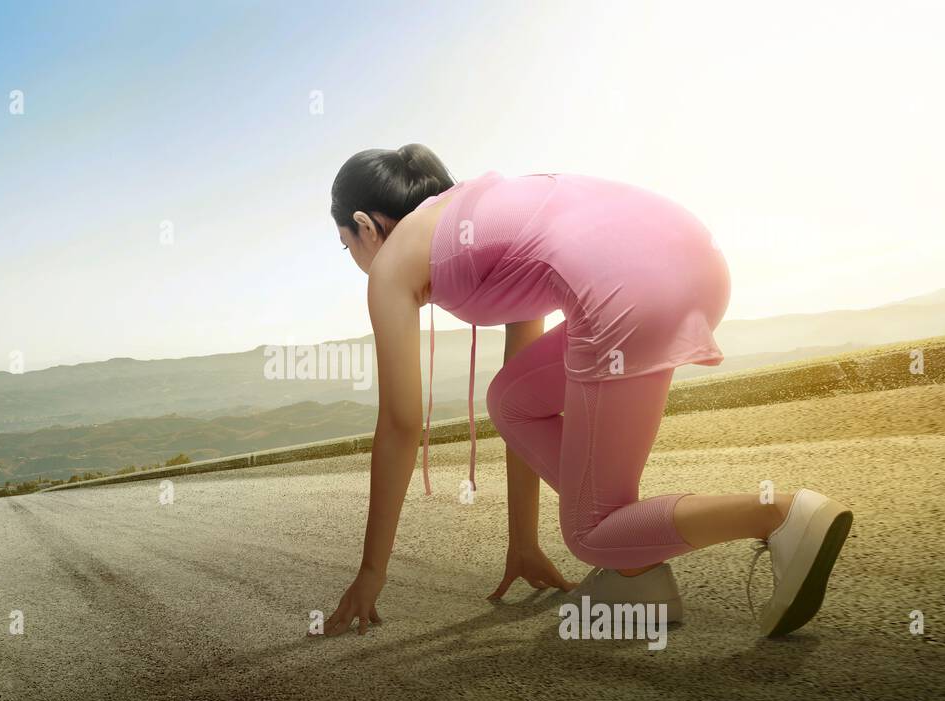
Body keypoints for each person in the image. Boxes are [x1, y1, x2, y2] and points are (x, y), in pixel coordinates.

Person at [322, 143, 852, 639]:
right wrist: (523, 542)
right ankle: (637, 575)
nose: (351, 257)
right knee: (510, 400)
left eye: (344, 244)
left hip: (628, 291)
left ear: (365, 226)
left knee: (588, 533)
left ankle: (779, 514)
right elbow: (523, 393)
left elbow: (400, 424)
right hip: (692, 262)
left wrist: (371, 572)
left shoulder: (394, 263)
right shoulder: (472, 213)